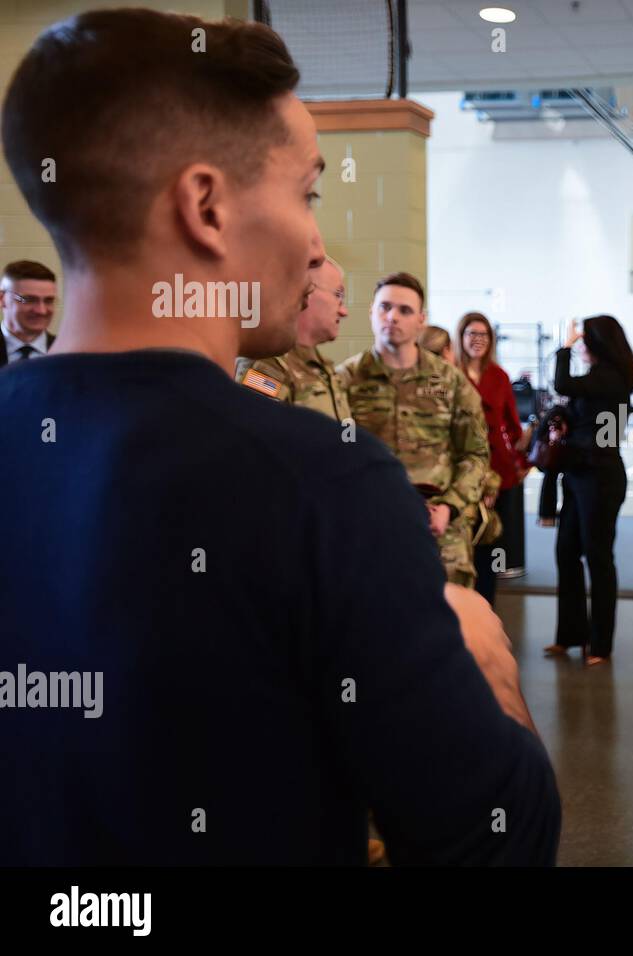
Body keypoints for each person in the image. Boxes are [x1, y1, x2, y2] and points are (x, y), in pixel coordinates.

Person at [0, 8, 559, 865]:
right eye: (307, 194)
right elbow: (492, 841)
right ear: (207, 207)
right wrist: (485, 666)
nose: (315, 239)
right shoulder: (322, 488)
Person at [338, 274, 491, 589]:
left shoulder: (450, 381)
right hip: (369, 526)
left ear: (421, 320)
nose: (392, 316)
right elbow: (332, 456)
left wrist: (449, 506)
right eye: (385, 307)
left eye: (404, 310)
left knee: (452, 616)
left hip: (440, 529)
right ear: (371, 312)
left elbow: (475, 454)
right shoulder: (345, 380)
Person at [544, 315, 633, 666]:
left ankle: (600, 644)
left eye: (585, 340)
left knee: (598, 558)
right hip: (578, 475)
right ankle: (570, 635)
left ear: (598, 343)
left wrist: (564, 347)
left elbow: (562, 383)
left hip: (600, 479)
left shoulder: (610, 378)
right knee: (566, 552)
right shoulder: (599, 379)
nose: (581, 345)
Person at [456, 312, 529, 604]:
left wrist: (522, 462)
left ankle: (486, 607)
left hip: (497, 470)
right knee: (461, 545)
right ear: (461, 337)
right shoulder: (450, 373)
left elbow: (512, 425)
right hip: (462, 471)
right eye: (472, 334)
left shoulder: (499, 376)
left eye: (483, 334)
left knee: (490, 542)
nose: (478, 340)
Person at [235, 255, 351, 421]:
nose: (344, 311)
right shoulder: (268, 364)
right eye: (338, 295)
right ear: (306, 291)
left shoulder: (324, 368)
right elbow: (254, 431)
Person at [0, 259, 58, 366]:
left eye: (48, 301)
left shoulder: (68, 353)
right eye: (29, 300)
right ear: (2, 299)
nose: (41, 310)